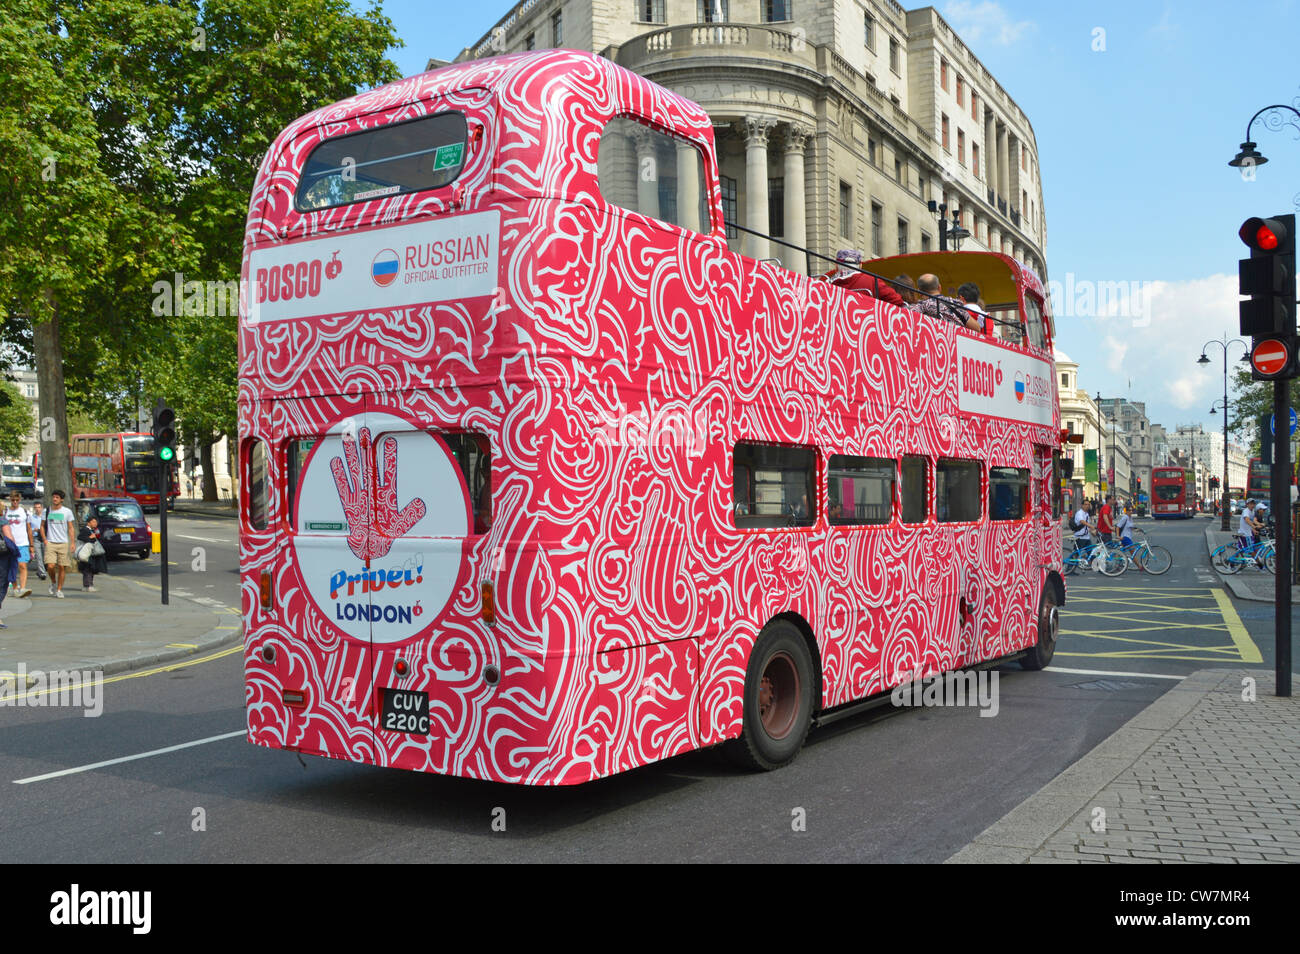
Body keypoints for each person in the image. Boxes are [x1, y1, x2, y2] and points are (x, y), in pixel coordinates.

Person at [825, 249, 907, 306]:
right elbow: (897, 301)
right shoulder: (872, 281)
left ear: (836, 266)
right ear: (860, 265)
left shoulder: (825, 284)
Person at [915, 274, 982, 330]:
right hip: (957, 342)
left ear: (919, 292)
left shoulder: (920, 307)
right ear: (939, 287)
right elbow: (977, 328)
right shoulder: (955, 303)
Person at [44, 490, 76, 598]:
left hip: (63, 542)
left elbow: (71, 528)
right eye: (53, 497)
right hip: (50, 542)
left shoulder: (67, 512)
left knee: (62, 567)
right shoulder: (47, 511)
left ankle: (59, 589)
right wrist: (44, 539)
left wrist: (72, 543)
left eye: (57, 497)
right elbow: (42, 526)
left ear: (61, 499)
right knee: (50, 566)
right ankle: (53, 582)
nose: (54, 499)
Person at [4, 492, 32, 598]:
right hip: (10, 543)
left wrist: (31, 545)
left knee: (22, 565)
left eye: (17, 500)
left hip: (23, 542)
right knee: (12, 567)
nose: (15, 502)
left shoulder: (24, 512)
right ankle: (15, 588)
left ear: (19, 500)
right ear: (10, 500)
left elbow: (29, 528)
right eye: (13, 500)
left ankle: (23, 588)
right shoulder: (6, 511)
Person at [76, 515, 108, 592]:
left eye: (96, 522)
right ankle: (88, 585)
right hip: (87, 553)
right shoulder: (85, 530)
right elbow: (80, 537)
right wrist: (90, 538)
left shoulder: (92, 530)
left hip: (91, 553)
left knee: (90, 569)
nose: (95, 523)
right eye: (93, 522)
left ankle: (88, 585)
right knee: (88, 569)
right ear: (88, 523)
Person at [27, 502, 46, 581]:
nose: (37, 509)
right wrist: (33, 530)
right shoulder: (31, 517)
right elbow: (28, 529)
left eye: (39, 507)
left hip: (44, 538)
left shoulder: (45, 517)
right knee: (38, 557)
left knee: (45, 556)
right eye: (36, 507)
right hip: (36, 538)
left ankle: (40, 571)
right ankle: (42, 573)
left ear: (41, 508)